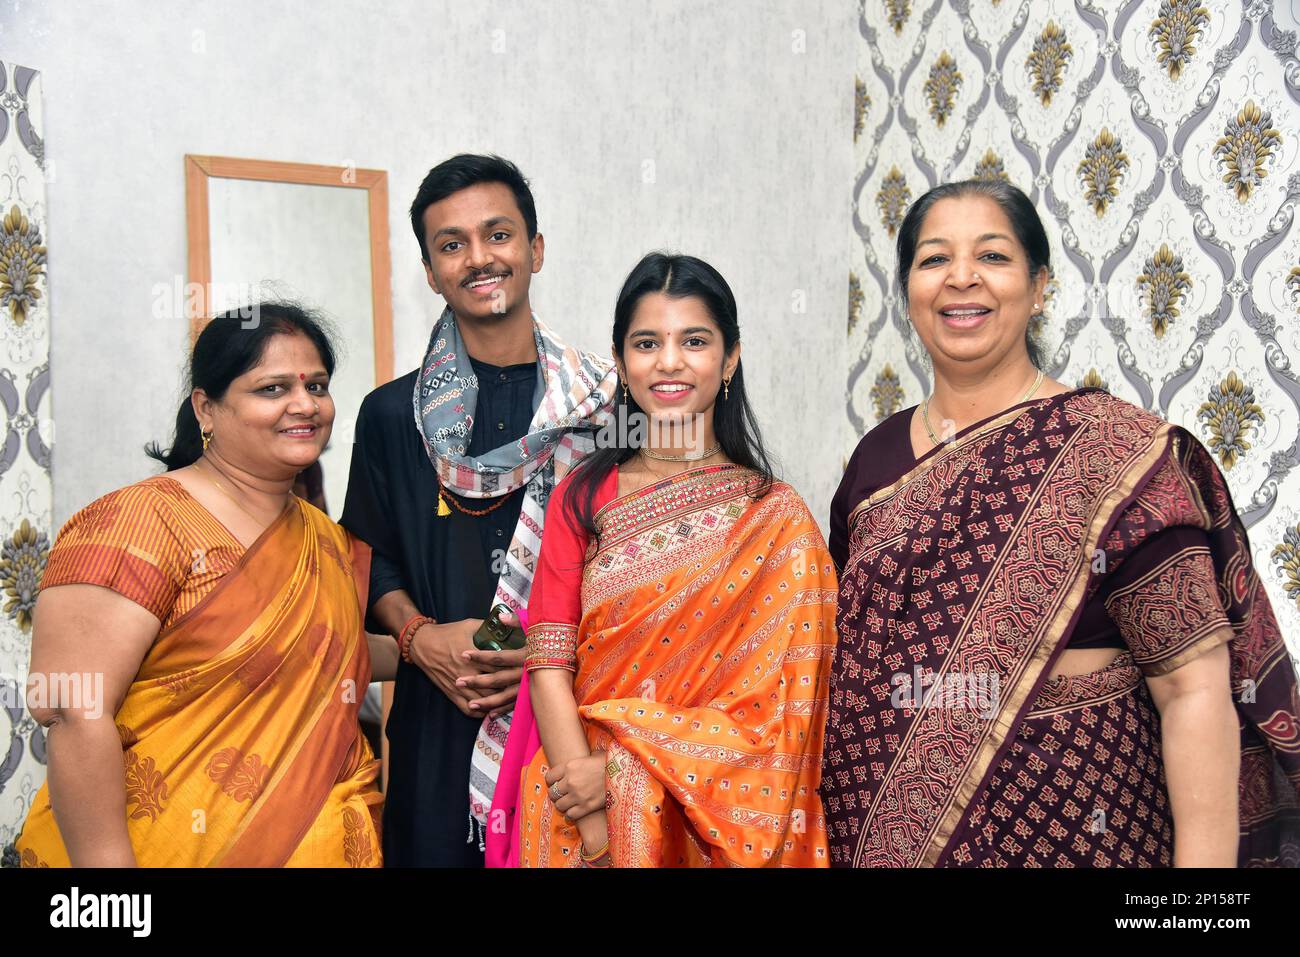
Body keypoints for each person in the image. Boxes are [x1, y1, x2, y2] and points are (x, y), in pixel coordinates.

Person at [823, 179, 1300, 868]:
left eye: (992, 256)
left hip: (1084, 835)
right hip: (879, 837)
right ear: (907, 293)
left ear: (1039, 286)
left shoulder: (1113, 453)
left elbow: (1192, 689)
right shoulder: (874, 461)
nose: (961, 277)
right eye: (933, 259)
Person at [490, 253, 836, 867]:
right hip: (579, 817)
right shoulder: (584, 493)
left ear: (729, 358)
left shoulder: (774, 519)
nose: (669, 362)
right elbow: (548, 658)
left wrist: (620, 769)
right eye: (647, 343)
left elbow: (780, 723)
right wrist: (595, 819)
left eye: (694, 341)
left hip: (712, 828)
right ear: (622, 362)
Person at [17, 303, 386, 867]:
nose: (305, 404)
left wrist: (426, 645)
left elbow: (320, 658)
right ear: (206, 408)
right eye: (272, 388)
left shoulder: (326, 540)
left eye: (316, 385)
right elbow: (73, 708)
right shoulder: (142, 521)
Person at [340, 154, 616, 866]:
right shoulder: (393, 414)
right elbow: (368, 561)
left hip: (574, 725)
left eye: (498, 234)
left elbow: (638, 564)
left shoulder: (603, 407)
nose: (478, 257)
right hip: (439, 720)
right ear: (431, 272)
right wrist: (418, 637)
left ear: (535, 249)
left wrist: (550, 650)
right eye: (451, 244)